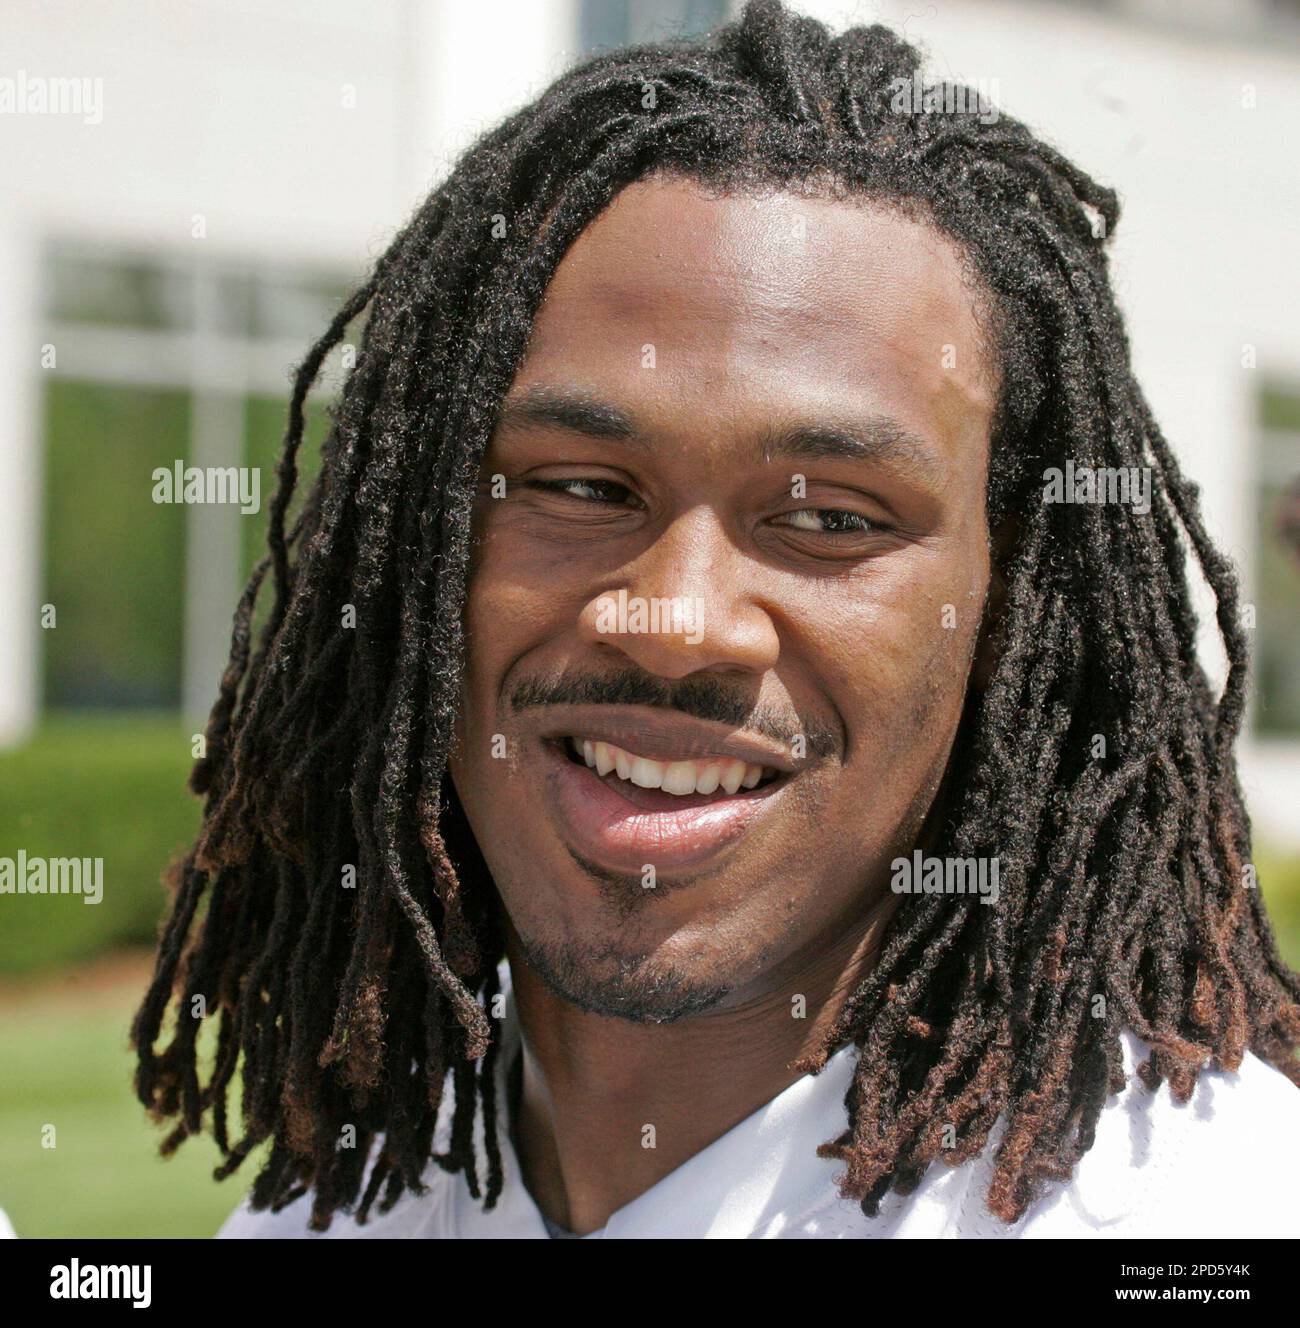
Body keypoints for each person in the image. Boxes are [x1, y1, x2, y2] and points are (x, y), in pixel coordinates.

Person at [132, 0, 1300, 1239]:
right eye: (581, 487)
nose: (675, 622)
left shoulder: (1199, 1220)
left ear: (1004, 615)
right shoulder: (327, 1217)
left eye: (833, 518)